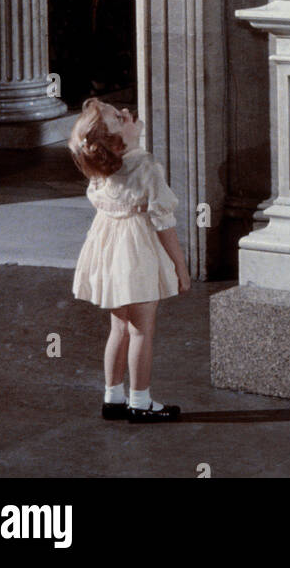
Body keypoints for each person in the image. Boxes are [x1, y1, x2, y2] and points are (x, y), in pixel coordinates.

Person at [69, 97, 189, 423]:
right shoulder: (147, 167)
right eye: (120, 118)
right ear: (117, 142)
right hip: (136, 253)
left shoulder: (101, 170)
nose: (127, 113)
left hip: (108, 251)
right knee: (141, 331)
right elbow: (164, 224)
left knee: (119, 327)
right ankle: (140, 401)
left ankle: (113, 396)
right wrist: (179, 266)